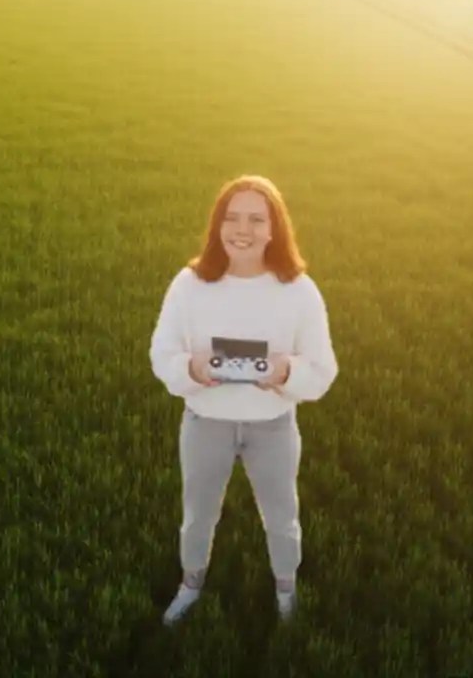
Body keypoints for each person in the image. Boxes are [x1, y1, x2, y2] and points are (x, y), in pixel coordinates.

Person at [148, 174, 339, 627]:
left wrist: (285, 371)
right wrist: (191, 370)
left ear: (275, 228)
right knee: (197, 516)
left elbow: (323, 371)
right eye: (231, 218)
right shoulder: (190, 283)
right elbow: (162, 353)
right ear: (217, 226)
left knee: (281, 516)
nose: (243, 229)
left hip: (272, 427)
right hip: (204, 423)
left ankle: (285, 592)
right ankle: (190, 584)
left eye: (257, 219)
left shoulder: (299, 291)